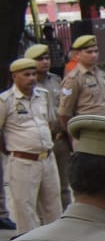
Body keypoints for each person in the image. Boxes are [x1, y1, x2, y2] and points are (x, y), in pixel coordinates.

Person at [0, 57, 61, 232]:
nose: (32, 78)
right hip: (22, 161)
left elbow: (48, 122)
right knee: (25, 211)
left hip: (47, 159)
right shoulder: (6, 101)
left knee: (53, 207)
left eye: (34, 74)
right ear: (14, 77)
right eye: (26, 74)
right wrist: (13, 150)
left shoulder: (43, 95)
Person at [25, 43, 73, 208]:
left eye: (46, 58)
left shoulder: (56, 80)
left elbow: (63, 107)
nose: (45, 62)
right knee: (42, 189)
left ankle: (66, 219)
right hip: (40, 143)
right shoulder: (28, 85)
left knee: (64, 187)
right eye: (40, 59)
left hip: (59, 140)